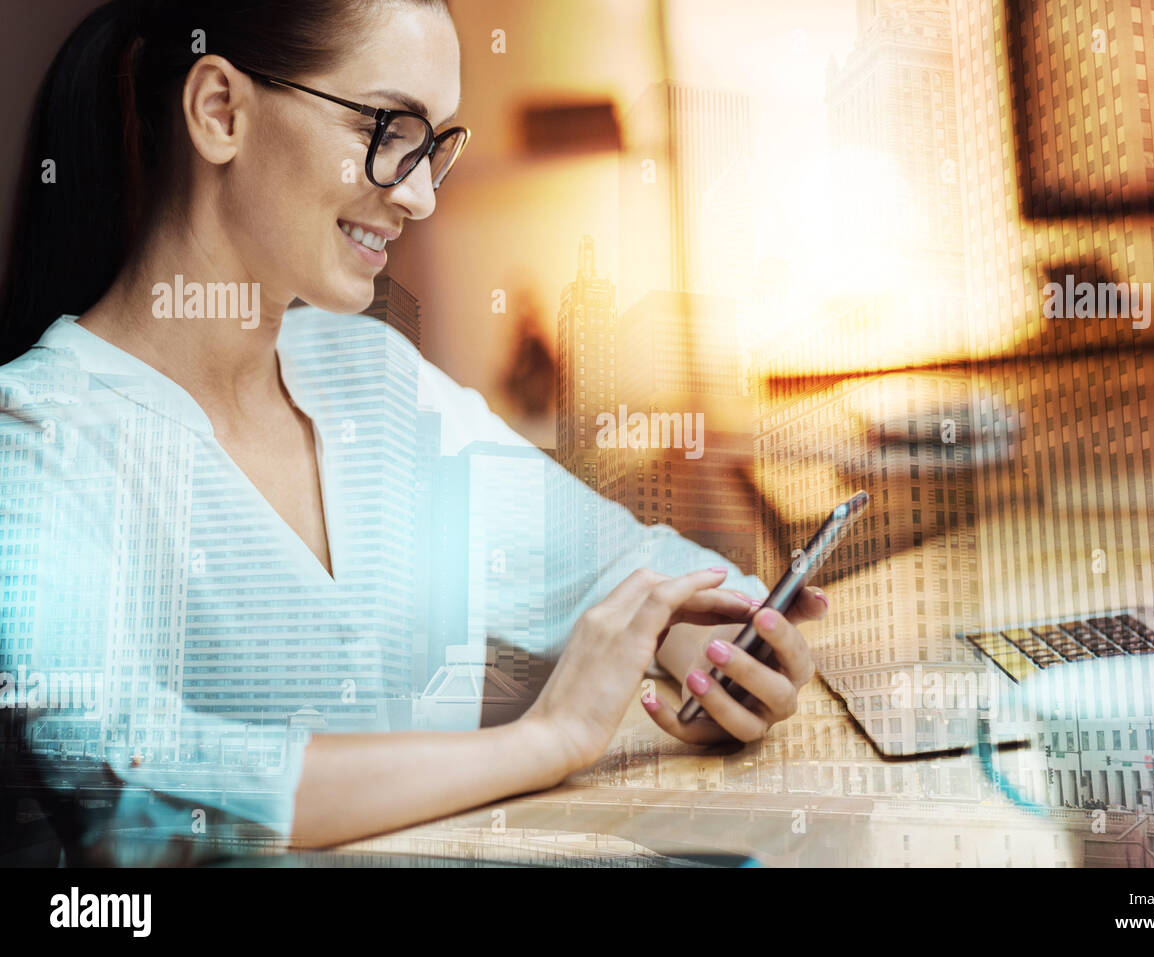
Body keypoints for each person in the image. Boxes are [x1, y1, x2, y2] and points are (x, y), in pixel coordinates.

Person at [0, 0, 827, 861]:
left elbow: (626, 566)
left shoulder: (375, 382)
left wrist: (711, 652)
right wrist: (539, 743)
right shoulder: (37, 440)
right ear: (221, 111)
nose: (422, 194)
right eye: (390, 127)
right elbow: (125, 788)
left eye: (433, 145)